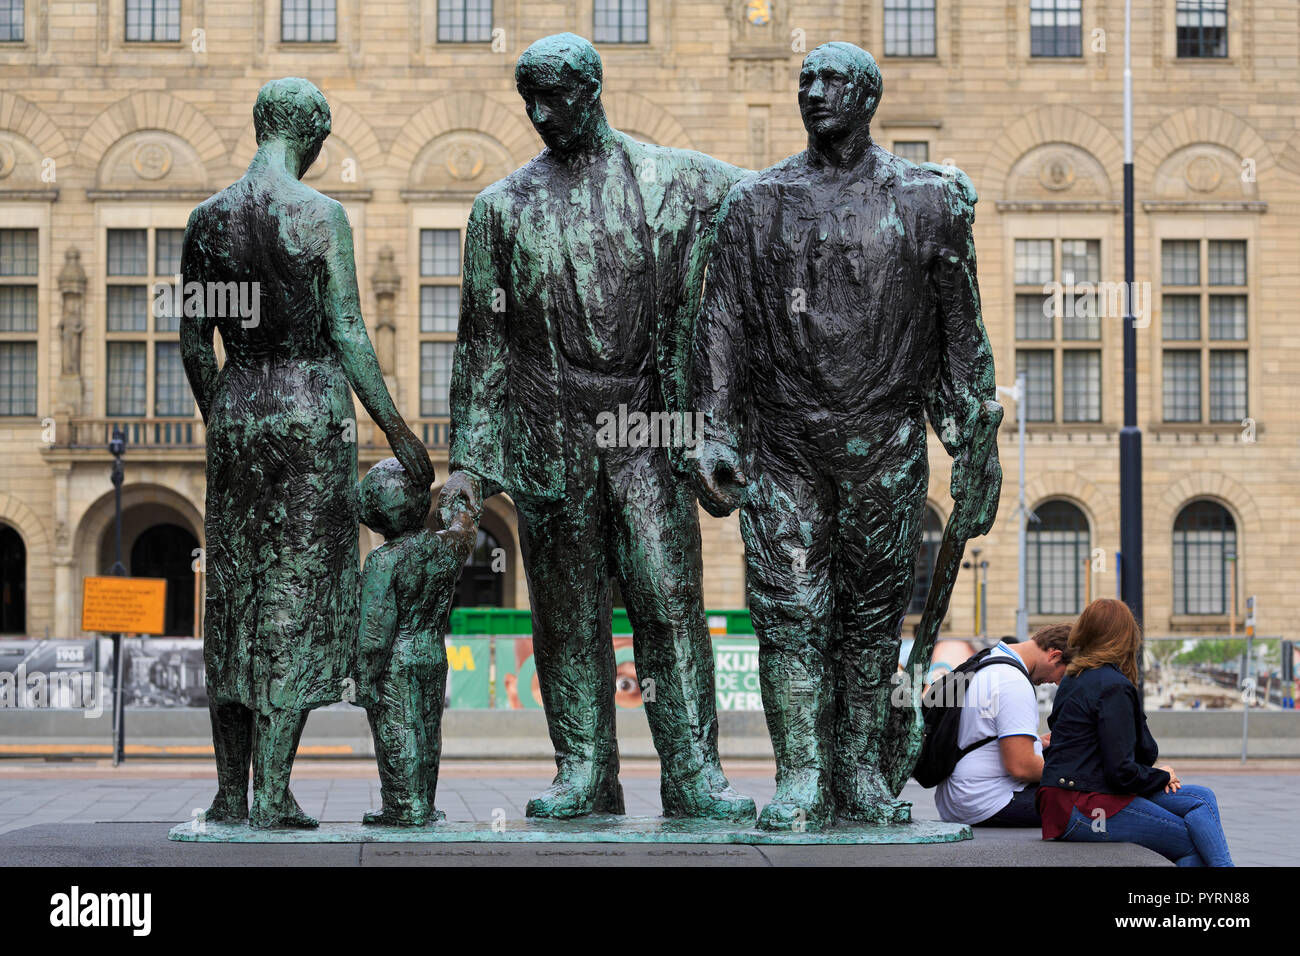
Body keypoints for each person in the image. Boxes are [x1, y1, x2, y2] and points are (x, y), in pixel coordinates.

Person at [438, 33, 754, 821]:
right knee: (567, 610)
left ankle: (692, 774)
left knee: (668, 598)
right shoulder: (501, 209)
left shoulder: (676, 180)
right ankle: (584, 767)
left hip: (648, 425)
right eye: (529, 103)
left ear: (593, 91)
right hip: (553, 430)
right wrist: (471, 465)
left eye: (555, 99)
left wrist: (915, 182)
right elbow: (481, 345)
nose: (541, 116)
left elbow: (780, 195)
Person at [690, 41, 1001, 830]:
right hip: (786, 445)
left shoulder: (928, 201)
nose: (814, 91)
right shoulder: (754, 204)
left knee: (869, 615)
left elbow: (960, 332)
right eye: (806, 79)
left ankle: (860, 770)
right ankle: (800, 775)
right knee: (788, 610)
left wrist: (974, 432)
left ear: (868, 97)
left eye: (832, 81)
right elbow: (721, 323)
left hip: (886, 442)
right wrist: (714, 433)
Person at [181, 78, 434, 829]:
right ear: (315, 134)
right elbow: (350, 333)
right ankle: (270, 795)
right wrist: (396, 429)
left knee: (232, 596)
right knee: (296, 599)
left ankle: (229, 791)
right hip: (310, 409)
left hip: (238, 408)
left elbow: (195, 342)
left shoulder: (207, 219)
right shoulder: (322, 215)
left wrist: (223, 411)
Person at [1038, 598, 1233, 866]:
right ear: (1126, 637)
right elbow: (1120, 772)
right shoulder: (1112, 685)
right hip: (1085, 807)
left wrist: (1156, 774)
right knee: (1192, 841)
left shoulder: (1074, 678)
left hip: (1063, 800)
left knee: (1201, 798)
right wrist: (1161, 775)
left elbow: (1126, 754)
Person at [356, 458, 477, 827]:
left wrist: (364, 677)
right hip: (432, 653)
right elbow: (465, 527)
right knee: (427, 731)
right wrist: (458, 503)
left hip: (397, 658)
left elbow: (375, 633)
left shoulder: (383, 561)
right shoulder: (448, 546)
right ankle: (424, 801)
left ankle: (403, 805)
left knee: (398, 731)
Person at [935, 624, 1072, 828]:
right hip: (987, 800)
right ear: (1054, 656)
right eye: (1062, 675)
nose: (1057, 683)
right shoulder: (1014, 683)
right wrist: (1074, 776)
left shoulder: (989, 659)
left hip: (958, 797)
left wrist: (1035, 743)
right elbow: (1021, 767)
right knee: (1089, 804)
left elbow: (983, 733)